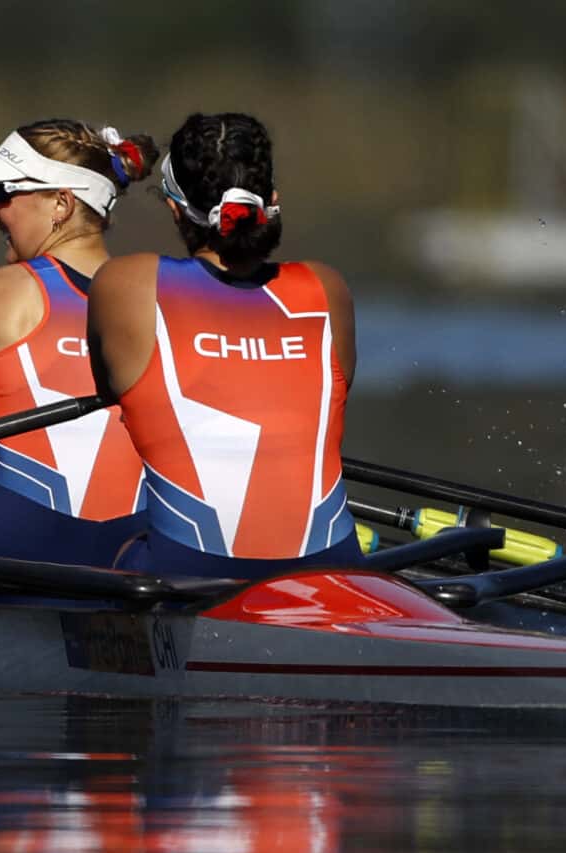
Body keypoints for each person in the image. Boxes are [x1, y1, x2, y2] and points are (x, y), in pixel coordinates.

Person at [86, 111, 362, 578]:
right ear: (271, 200)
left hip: (185, 572)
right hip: (331, 569)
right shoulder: (326, 286)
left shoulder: (125, 283)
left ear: (175, 208)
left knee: (123, 547)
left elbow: (108, 388)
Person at [0, 119, 158, 565]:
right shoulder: (163, 299)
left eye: (1, 193)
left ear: (61, 203)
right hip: (135, 548)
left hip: (20, 554)